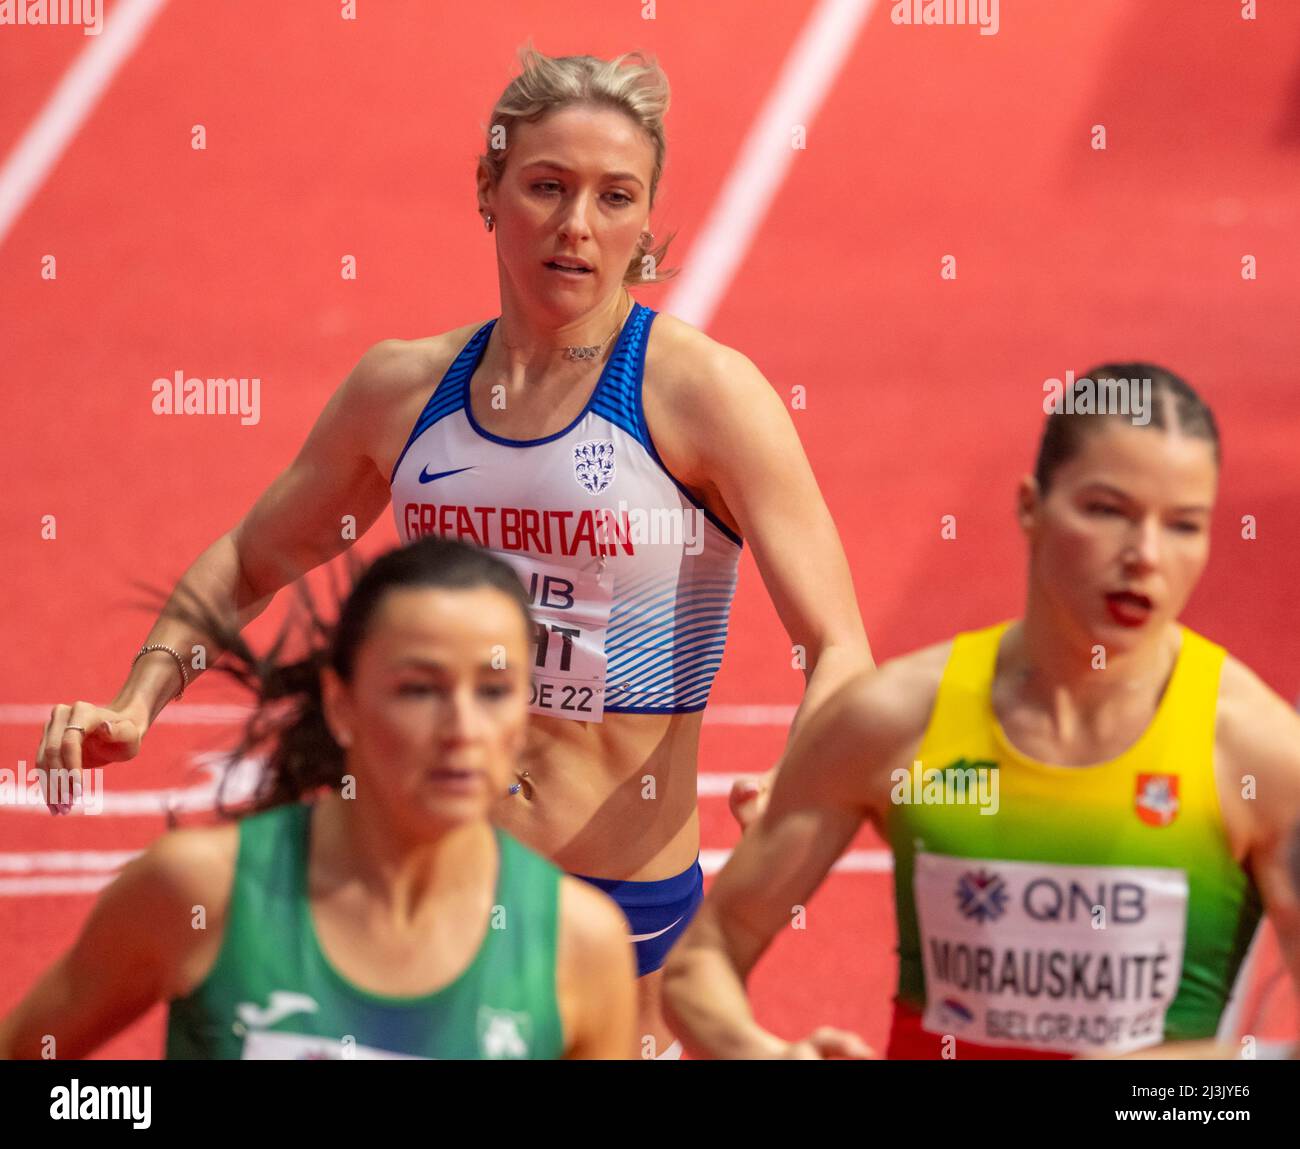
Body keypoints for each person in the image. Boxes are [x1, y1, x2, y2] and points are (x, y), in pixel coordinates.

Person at [32, 45, 871, 1056]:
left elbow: (836, 646)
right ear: (488, 188)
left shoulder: (701, 396)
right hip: (434, 883)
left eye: (615, 198)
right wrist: (139, 696)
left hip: (624, 910)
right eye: (547, 187)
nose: (576, 226)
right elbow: (249, 563)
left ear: (647, 223)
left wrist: (799, 779)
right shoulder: (403, 391)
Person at [663, 364, 1300, 1059]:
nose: (1145, 556)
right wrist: (768, 1055)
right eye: (1108, 511)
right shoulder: (894, 719)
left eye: (1183, 525)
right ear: (1031, 506)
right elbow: (703, 962)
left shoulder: (1259, 754)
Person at [3, 537, 636, 1059]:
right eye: (419, 689)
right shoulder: (200, 891)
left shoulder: (578, 947)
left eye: (495, 691)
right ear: (341, 704)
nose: (462, 730)